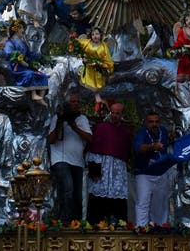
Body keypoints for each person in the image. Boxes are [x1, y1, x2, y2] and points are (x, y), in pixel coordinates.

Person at [48, 92, 92, 220]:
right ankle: (67, 221)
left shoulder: (82, 119)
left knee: (77, 194)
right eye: (73, 102)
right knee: (68, 188)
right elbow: (51, 140)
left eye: (77, 102)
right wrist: (60, 122)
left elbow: (90, 138)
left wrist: (74, 127)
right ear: (66, 104)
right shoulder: (56, 118)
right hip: (60, 159)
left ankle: (77, 223)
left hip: (77, 161)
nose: (75, 104)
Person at [86, 102, 132, 224]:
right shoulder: (101, 128)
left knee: (117, 199)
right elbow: (94, 150)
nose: (115, 115)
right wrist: (94, 171)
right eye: (113, 113)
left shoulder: (125, 132)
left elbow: (126, 154)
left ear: (122, 114)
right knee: (98, 197)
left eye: (118, 113)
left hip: (118, 172)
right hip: (102, 170)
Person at [133, 111, 170, 226]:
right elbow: (139, 148)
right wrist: (152, 146)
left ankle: (160, 231)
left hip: (160, 172)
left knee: (160, 205)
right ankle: (141, 230)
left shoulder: (163, 131)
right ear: (146, 123)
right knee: (143, 202)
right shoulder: (142, 133)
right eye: (151, 122)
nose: (154, 124)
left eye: (156, 121)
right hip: (144, 173)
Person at [3, 19, 48, 103]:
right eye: (21, 28)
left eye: (23, 28)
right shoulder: (10, 42)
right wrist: (19, 60)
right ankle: (33, 94)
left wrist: (42, 58)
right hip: (16, 68)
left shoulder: (23, 43)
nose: (23, 30)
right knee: (29, 74)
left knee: (43, 75)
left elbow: (29, 54)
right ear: (16, 29)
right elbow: (9, 53)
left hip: (25, 66)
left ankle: (40, 97)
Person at [77, 27, 114, 109]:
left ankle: (101, 103)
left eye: (97, 34)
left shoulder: (103, 46)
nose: (95, 36)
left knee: (98, 88)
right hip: (88, 70)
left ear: (100, 35)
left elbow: (108, 59)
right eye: (93, 34)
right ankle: (95, 102)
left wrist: (104, 66)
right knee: (89, 87)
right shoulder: (87, 42)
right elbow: (78, 44)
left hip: (98, 70)